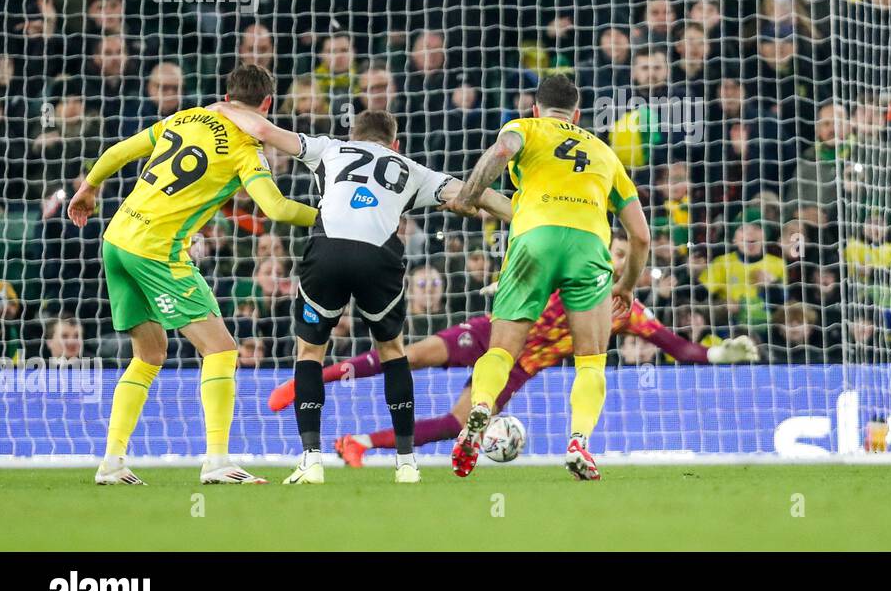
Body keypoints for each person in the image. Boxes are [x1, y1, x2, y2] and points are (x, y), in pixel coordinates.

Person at [205, 101, 514, 485]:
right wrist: (522, 215)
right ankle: (406, 464)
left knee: (310, 352)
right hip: (378, 259)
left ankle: (311, 461)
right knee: (392, 352)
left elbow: (265, 131)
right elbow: (473, 192)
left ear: (353, 136)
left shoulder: (329, 148)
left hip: (327, 252)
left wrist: (224, 108)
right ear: (395, 144)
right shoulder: (411, 169)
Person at [265, 236, 758, 463]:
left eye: (626, 257)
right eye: (615, 250)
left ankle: (360, 444)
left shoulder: (629, 311)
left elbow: (679, 348)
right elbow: (527, 275)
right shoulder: (571, 269)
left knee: (458, 422)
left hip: (520, 366)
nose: (616, 259)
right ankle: (308, 379)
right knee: (407, 355)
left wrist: (719, 354)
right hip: (493, 333)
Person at [65, 64, 319, 486]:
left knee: (148, 355)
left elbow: (118, 152)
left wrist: (89, 187)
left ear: (227, 92)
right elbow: (277, 209)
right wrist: (330, 219)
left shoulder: (185, 116)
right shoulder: (245, 145)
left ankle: (112, 461)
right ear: (267, 104)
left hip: (117, 239)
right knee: (221, 349)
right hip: (157, 252)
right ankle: (217, 461)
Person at [443, 74, 650, 481]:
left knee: (501, 351)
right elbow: (640, 235)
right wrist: (624, 286)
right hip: (590, 247)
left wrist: (467, 200)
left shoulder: (525, 127)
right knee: (590, 360)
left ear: (537, 108)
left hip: (533, 238)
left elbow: (501, 151)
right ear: (577, 114)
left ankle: (481, 408)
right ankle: (578, 444)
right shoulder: (605, 153)